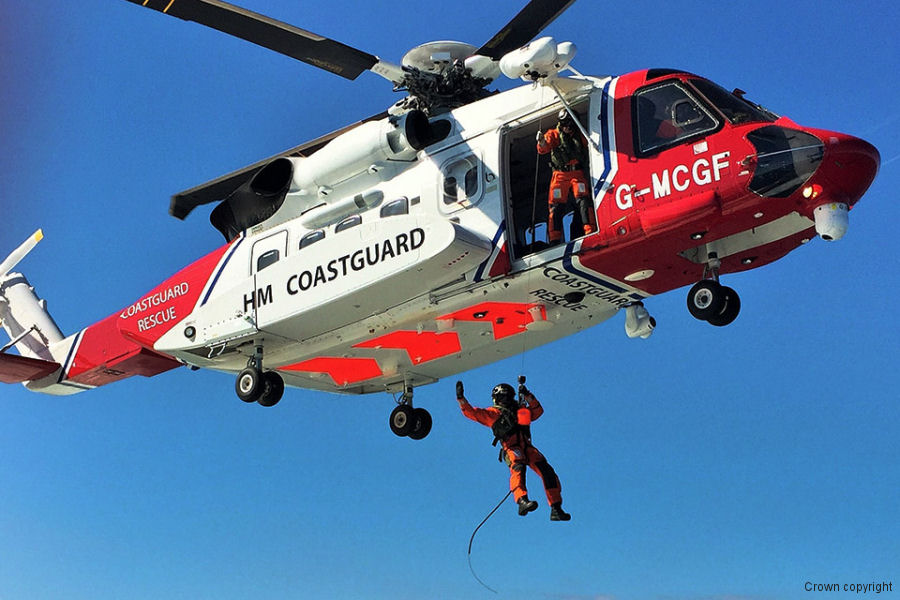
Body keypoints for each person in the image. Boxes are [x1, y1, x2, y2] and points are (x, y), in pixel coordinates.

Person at [456, 379, 571, 521]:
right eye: (502, 397)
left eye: (507, 397)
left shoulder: (521, 412)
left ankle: (556, 507)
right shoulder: (494, 414)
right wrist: (461, 399)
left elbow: (537, 411)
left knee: (547, 471)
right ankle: (522, 500)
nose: (505, 400)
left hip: (528, 448)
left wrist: (528, 395)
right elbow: (472, 413)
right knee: (518, 466)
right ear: (496, 399)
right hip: (512, 448)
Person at [536, 109, 596, 245]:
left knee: (583, 201)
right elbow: (544, 148)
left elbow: (589, 146)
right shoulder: (554, 134)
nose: (567, 128)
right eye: (565, 124)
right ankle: (554, 239)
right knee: (556, 206)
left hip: (576, 173)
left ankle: (589, 230)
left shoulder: (579, 136)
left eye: (570, 124)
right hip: (560, 174)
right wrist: (541, 142)